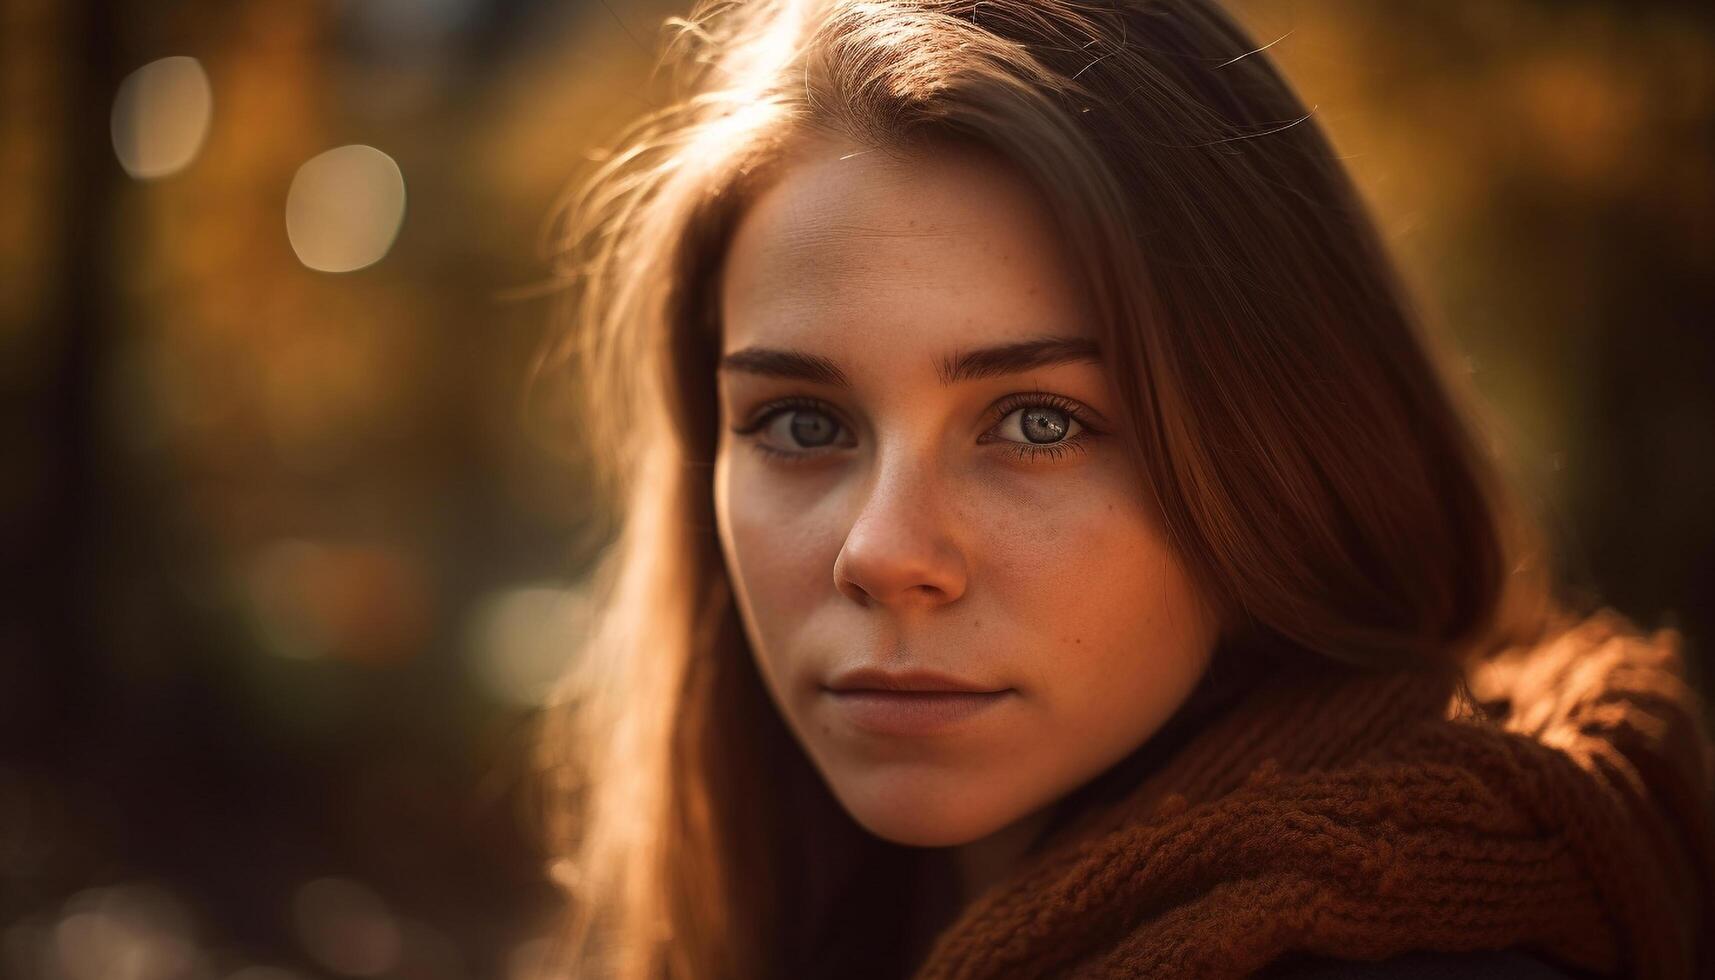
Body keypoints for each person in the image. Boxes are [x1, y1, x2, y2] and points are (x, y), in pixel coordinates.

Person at [528, 0, 1715, 977]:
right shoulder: (800, 914)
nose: (883, 552)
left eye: (1039, 421)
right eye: (799, 422)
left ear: (1283, 452)